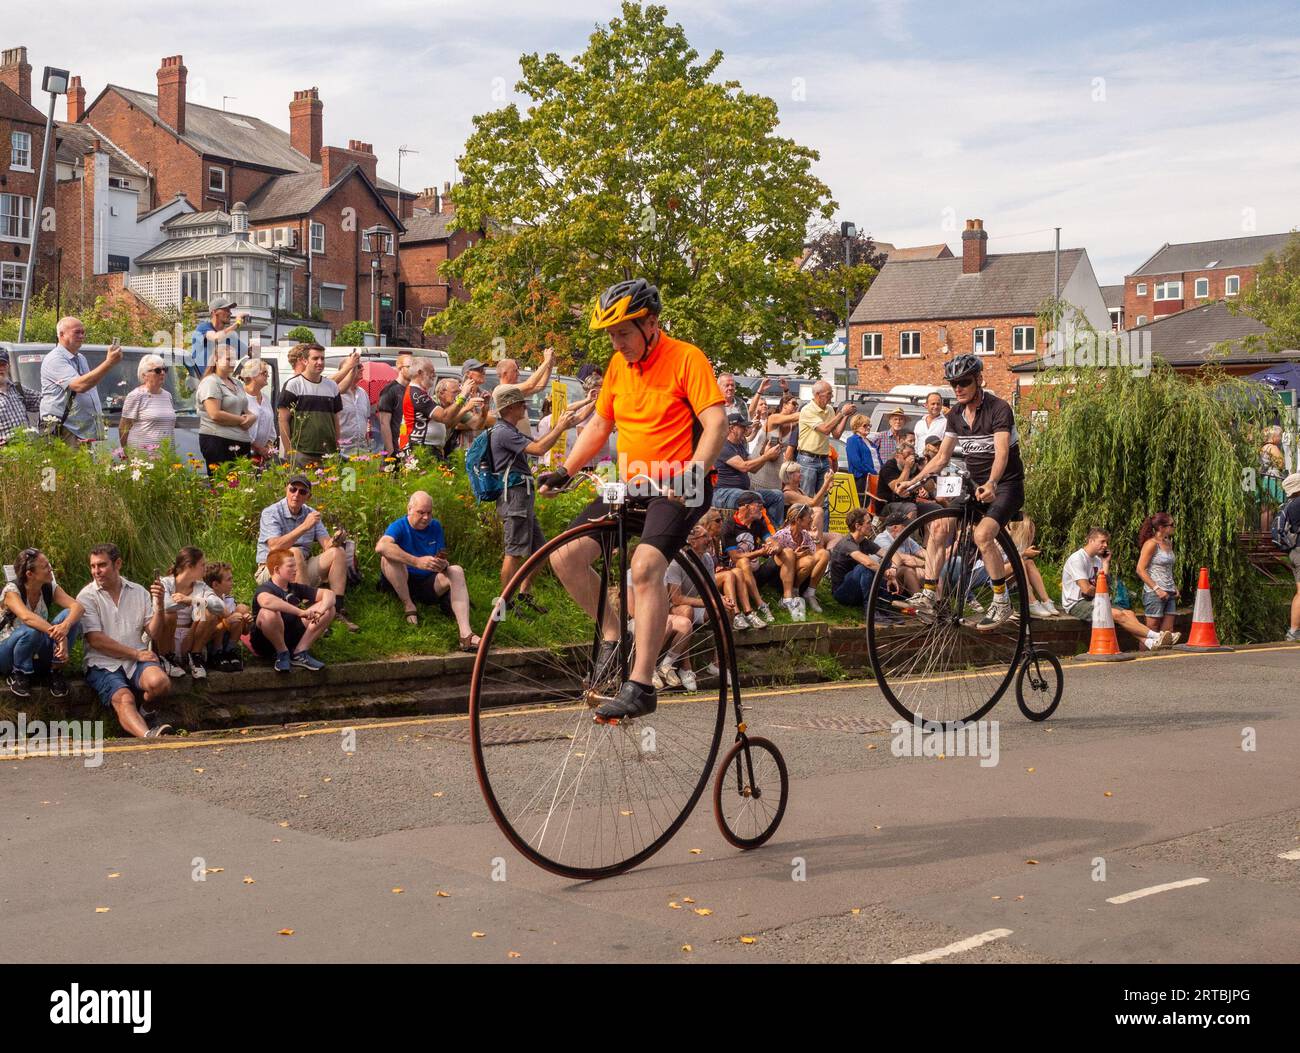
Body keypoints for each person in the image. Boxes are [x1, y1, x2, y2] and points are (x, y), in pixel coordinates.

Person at [539, 278, 726, 719]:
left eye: (623, 331)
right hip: (635, 484)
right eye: (611, 333)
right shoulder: (618, 368)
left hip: (683, 484)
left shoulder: (687, 358)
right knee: (564, 556)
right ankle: (611, 631)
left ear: (651, 323)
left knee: (644, 566)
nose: (616, 341)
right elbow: (600, 427)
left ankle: (641, 684)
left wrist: (693, 472)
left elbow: (715, 423)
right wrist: (566, 470)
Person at [904, 354, 1026, 629]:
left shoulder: (999, 409)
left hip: (1005, 485)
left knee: (982, 534)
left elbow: (1002, 453)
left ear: (979, 381)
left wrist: (993, 484)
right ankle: (929, 592)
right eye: (954, 383)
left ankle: (1001, 602)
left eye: (964, 382)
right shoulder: (955, 415)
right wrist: (913, 481)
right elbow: (941, 458)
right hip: (974, 485)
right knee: (938, 528)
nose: (958, 388)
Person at [491, 384, 576, 612]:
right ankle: (504, 605)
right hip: (514, 496)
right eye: (522, 404)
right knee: (515, 551)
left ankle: (523, 595)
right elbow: (539, 449)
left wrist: (587, 402)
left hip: (523, 495)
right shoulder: (503, 432)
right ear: (510, 407)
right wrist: (560, 427)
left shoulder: (512, 429)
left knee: (541, 549)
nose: (525, 407)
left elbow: (543, 439)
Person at [77, 543, 173, 738]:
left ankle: (146, 711)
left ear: (117, 563)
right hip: (102, 661)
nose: (96, 571)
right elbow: (96, 640)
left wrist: (160, 605)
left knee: (160, 683)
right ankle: (148, 736)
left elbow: (153, 633)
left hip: (135, 659)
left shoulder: (138, 591)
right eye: (93, 566)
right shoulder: (86, 596)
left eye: (102, 565)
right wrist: (136, 653)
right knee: (124, 698)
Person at [375, 490, 479, 650]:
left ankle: (465, 634)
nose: (426, 517)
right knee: (387, 557)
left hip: (427, 584)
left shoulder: (435, 526)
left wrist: (442, 564)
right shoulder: (399, 525)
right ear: (409, 509)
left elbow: (441, 555)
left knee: (456, 570)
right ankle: (408, 606)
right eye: (421, 512)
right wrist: (416, 561)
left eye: (429, 513)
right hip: (401, 581)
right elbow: (381, 546)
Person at [255, 474, 358, 631]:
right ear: (286, 489)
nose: (296, 494)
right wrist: (304, 526)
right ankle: (307, 612)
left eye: (302, 492)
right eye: (293, 489)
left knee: (338, 552)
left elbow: (327, 546)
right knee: (294, 552)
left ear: (308, 496)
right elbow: (275, 547)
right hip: (272, 571)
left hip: (301, 569)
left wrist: (337, 540)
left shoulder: (311, 513)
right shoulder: (271, 512)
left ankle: (337, 609)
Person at [1061, 528, 1178, 650]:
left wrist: (1105, 563)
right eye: (1102, 542)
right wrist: (1101, 594)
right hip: (1077, 603)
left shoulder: (1097, 560)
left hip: (1096, 599)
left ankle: (1149, 643)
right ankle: (1157, 636)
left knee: (1129, 613)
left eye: (1106, 542)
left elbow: (1105, 586)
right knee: (1117, 614)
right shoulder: (1077, 559)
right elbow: (1086, 590)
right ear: (1091, 541)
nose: (1105, 545)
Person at [656, 521, 729, 692]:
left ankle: (717, 664)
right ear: (692, 542)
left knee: (726, 610)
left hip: (696, 603)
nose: (709, 539)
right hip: (672, 607)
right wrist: (709, 602)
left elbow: (710, 589)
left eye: (707, 536)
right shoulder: (677, 562)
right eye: (704, 537)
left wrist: (722, 599)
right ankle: (685, 667)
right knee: (686, 611)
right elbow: (676, 598)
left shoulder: (707, 559)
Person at [1, 548, 83, 699]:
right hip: (7, 652)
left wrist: (65, 627)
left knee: (69, 617)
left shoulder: (49, 587)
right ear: (30, 574)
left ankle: (55, 670)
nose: (50, 568)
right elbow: (27, 618)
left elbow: (78, 607)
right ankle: (19, 673)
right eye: (45, 566)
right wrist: (60, 637)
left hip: (36, 651)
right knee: (31, 630)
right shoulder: (11, 591)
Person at [250, 547, 335, 672]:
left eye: (295, 565)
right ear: (277, 570)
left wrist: (321, 610)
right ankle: (282, 653)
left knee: (329, 609)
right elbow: (267, 601)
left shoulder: (295, 587)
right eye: (290, 566)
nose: (295, 569)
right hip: (265, 643)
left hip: (292, 635)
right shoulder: (265, 588)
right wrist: (301, 612)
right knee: (268, 612)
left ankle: (299, 653)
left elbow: (329, 594)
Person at [39, 317, 117, 445]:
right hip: (68, 429)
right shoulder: (54, 359)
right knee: (72, 465)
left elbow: (89, 384)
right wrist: (108, 363)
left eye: (83, 332)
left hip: (88, 430)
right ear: (61, 334)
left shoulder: (80, 358)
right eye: (77, 332)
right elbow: (79, 386)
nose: (81, 336)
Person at [156, 547, 220, 680]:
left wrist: (190, 600)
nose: (205, 568)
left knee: (208, 612)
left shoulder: (201, 586)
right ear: (189, 566)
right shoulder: (165, 582)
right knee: (170, 614)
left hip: (190, 635)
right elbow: (166, 606)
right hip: (167, 637)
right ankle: (166, 658)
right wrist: (197, 602)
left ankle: (195, 656)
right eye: (202, 565)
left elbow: (219, 606)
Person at [720, 492, 780, 627]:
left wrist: (773, 548)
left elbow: (773, 542)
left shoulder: (758, 523)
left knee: (786, 553)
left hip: (756, 572)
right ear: (746, 506)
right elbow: (735, 557)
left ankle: (789, 597)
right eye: (758, 505)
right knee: (743, 561)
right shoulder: (729, 525)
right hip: (736, 574)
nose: (762, 508)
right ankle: (760, 604)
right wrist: (760, 552)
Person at [829, 507, 901, 619]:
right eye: (868, 523)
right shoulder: (847, 543)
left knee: (886, 563)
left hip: (858, 590)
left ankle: (885, 607)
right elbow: (868, 563)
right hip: (843, 593)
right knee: (864, 568)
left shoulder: (864, 542)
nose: (871, 525)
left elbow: (892, 554)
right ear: (858, 526)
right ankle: (870, 612)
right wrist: (886, 574)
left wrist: (893, 569)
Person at [278, 343, 342, 466]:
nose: (320, 362)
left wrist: (337, 444)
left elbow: (336, 419)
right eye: (315, 358)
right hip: (302, 453)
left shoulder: (332, 386)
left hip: (328, 453)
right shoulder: (293, 385)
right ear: (304, 360)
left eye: (322, 358)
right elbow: (282, 420)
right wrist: (289, 450)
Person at [713, 412, 783, 521]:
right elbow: (744, 467)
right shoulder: (723, 445)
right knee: (754, 497)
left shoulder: (740, 445)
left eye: (746, 427)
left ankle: (775, 530)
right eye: (742, 427)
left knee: (777, 495)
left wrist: (767, 455)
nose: (745, 430)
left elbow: (753, 469)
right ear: (731, 428)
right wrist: (766, 456)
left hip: (741, 492)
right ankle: (763, 530)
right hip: (723, 493)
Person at [196, 345, 254, 468]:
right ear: (216, 359)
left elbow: (245, 409)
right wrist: (242, 420)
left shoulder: (237, 383)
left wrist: (253, 417)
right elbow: (215, 414)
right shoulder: (211, 382)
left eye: (234, 359)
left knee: (243, 484)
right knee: (222, 483)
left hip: (241, 441)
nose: (233, 362)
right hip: (218, 440)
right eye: (228, 359)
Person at [796, 381, 853, 501]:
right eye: (829, 394)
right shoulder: (807, 410)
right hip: (808, 459)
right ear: (817, 395)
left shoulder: (830, 410)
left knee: (825, 499)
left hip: (824, 458)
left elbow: (836, 434)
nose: (831, 397)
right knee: (807, 498)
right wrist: (841, 413)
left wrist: (845, 416)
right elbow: (825, 429)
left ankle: (823, 520)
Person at [772, 504, 829, 620]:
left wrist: (815, 538)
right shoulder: (782, 535)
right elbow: (774, 561)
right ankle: (791, 593)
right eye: (809, 517)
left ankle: (809, 593)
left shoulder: (805, 535)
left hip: (801, 576)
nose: (812, 519)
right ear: (798, 520)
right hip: (781, 577)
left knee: (824, 553)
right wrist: (796, 555)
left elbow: (817, 555)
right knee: (808, 561)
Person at [117, 354, 177, 453]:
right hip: (142, 458)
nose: (162, 373)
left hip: (166, 457)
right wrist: (126, 453)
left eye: (164, 369)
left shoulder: (167, 396)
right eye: (157, 370)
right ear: (144, 375)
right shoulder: (136, 395)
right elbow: (123, 427)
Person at [1005, 515, 1060, 618]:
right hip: (993, 572)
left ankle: (1046, 600)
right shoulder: (1005, 538)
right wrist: (1023, 553)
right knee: (1020, 561)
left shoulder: (1020, 543)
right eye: (1028, 529)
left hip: (1009, 573)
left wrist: (1024, 554)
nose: (1030, 532)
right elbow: (998, 562)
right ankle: (1031, 602)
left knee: (1029, 563)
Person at [202, 561, 251, 672]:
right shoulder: (203, 599)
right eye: (229, 580)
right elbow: (201, 635)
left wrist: (246, 622)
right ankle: (216, 653)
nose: (232, 583)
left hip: (225, 640)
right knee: (218, 617)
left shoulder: (228, 599)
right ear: (215, 585)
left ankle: (230, 651)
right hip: (208, 643)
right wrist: (226, 623)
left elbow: (245, 632)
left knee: (242, 610)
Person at [1135, 512, 1179, 633]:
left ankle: (1162, 652)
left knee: (1168, 630)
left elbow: (1167, 568)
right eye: (1172, 524)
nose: (1174, 527)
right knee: (1151, 630)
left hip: (1169, 591)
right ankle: (1145, 653)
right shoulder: (1151, 544)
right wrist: (1157, 589)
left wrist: (1174, 586)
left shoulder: (1168, 543)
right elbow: (1140, 569)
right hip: (1154, 592)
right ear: (1161, 528)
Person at [190, 296, 249, 375]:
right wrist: (237, 324)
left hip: (218, 381)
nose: (230, 313)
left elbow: (247, 353)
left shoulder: (229, 336)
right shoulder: (203, 327)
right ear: (214, 312)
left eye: (230, 310)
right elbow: (216, 337)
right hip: (199, 382)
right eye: (226, 310)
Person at [333, 350, 372, 455]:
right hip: (342, 449)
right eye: (357, 366)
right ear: (345, 370)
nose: (362, 368)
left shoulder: (363, 393)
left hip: (362, 449)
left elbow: (366, 420)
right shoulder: (335, 393)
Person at [779, 460, 834, 534]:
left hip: (803, 526)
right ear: (789, 475)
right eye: (797, 472)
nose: (800, 474)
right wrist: (826, 483)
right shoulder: (787, 493)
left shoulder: (799, 490)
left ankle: (817, 539)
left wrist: (827, 490)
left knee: (836, 536)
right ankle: (817, 542)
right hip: (794, 530)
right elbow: (813, 503)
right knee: (818, 511)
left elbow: (818, 504)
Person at [239, 357, 277, 462]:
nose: (267, 376)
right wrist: (259, 448)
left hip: (262, 456)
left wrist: (269, 446)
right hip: (243, 453)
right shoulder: (241, 397)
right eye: (264, 372)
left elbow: (271, 427)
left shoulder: (265, 399)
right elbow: (239, 427)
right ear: (253, 375)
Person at [0, 346, 40, 445]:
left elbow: (44, 400)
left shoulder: (17, 389)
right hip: (4, 455)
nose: (0, 368)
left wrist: (60, 388)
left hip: (26, 452)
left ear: (8, 366)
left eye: (3, 364)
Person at [376, 350, 413, 455]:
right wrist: (390, 450)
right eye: (409, 366)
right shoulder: (390, 390)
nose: (413, 370)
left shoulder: (413, 390)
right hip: (395, 448)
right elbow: (384, 422)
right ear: (400, 368)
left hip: (410, 448)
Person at [1278, 472, 1300, 641]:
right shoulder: (1298, 504)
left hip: (1293, 552)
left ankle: (1294, 630)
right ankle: (1293, 631)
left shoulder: (1289, 505)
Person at [845, 412, 882, 508]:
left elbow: (877, 458)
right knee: (862, 504)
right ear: (856, 426)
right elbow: (856, 462)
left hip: (874, 477)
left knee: (873, 503)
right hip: (862, 478)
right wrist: (871, 472)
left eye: (869, 425)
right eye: (865, 425)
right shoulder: (852, 440)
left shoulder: (869, 441)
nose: (868, 427)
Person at [1260, 425, 1286, 531]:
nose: (1280, 438)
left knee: (1265, 510)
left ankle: (1264, 534)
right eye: (1279, 436)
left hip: (1265, 480)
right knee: (1270, 510)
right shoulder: (1273, 447)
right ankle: (1267, 534)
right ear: (1273, 436)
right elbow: (1281, 465)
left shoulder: (1263, 447)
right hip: (1273, 480)